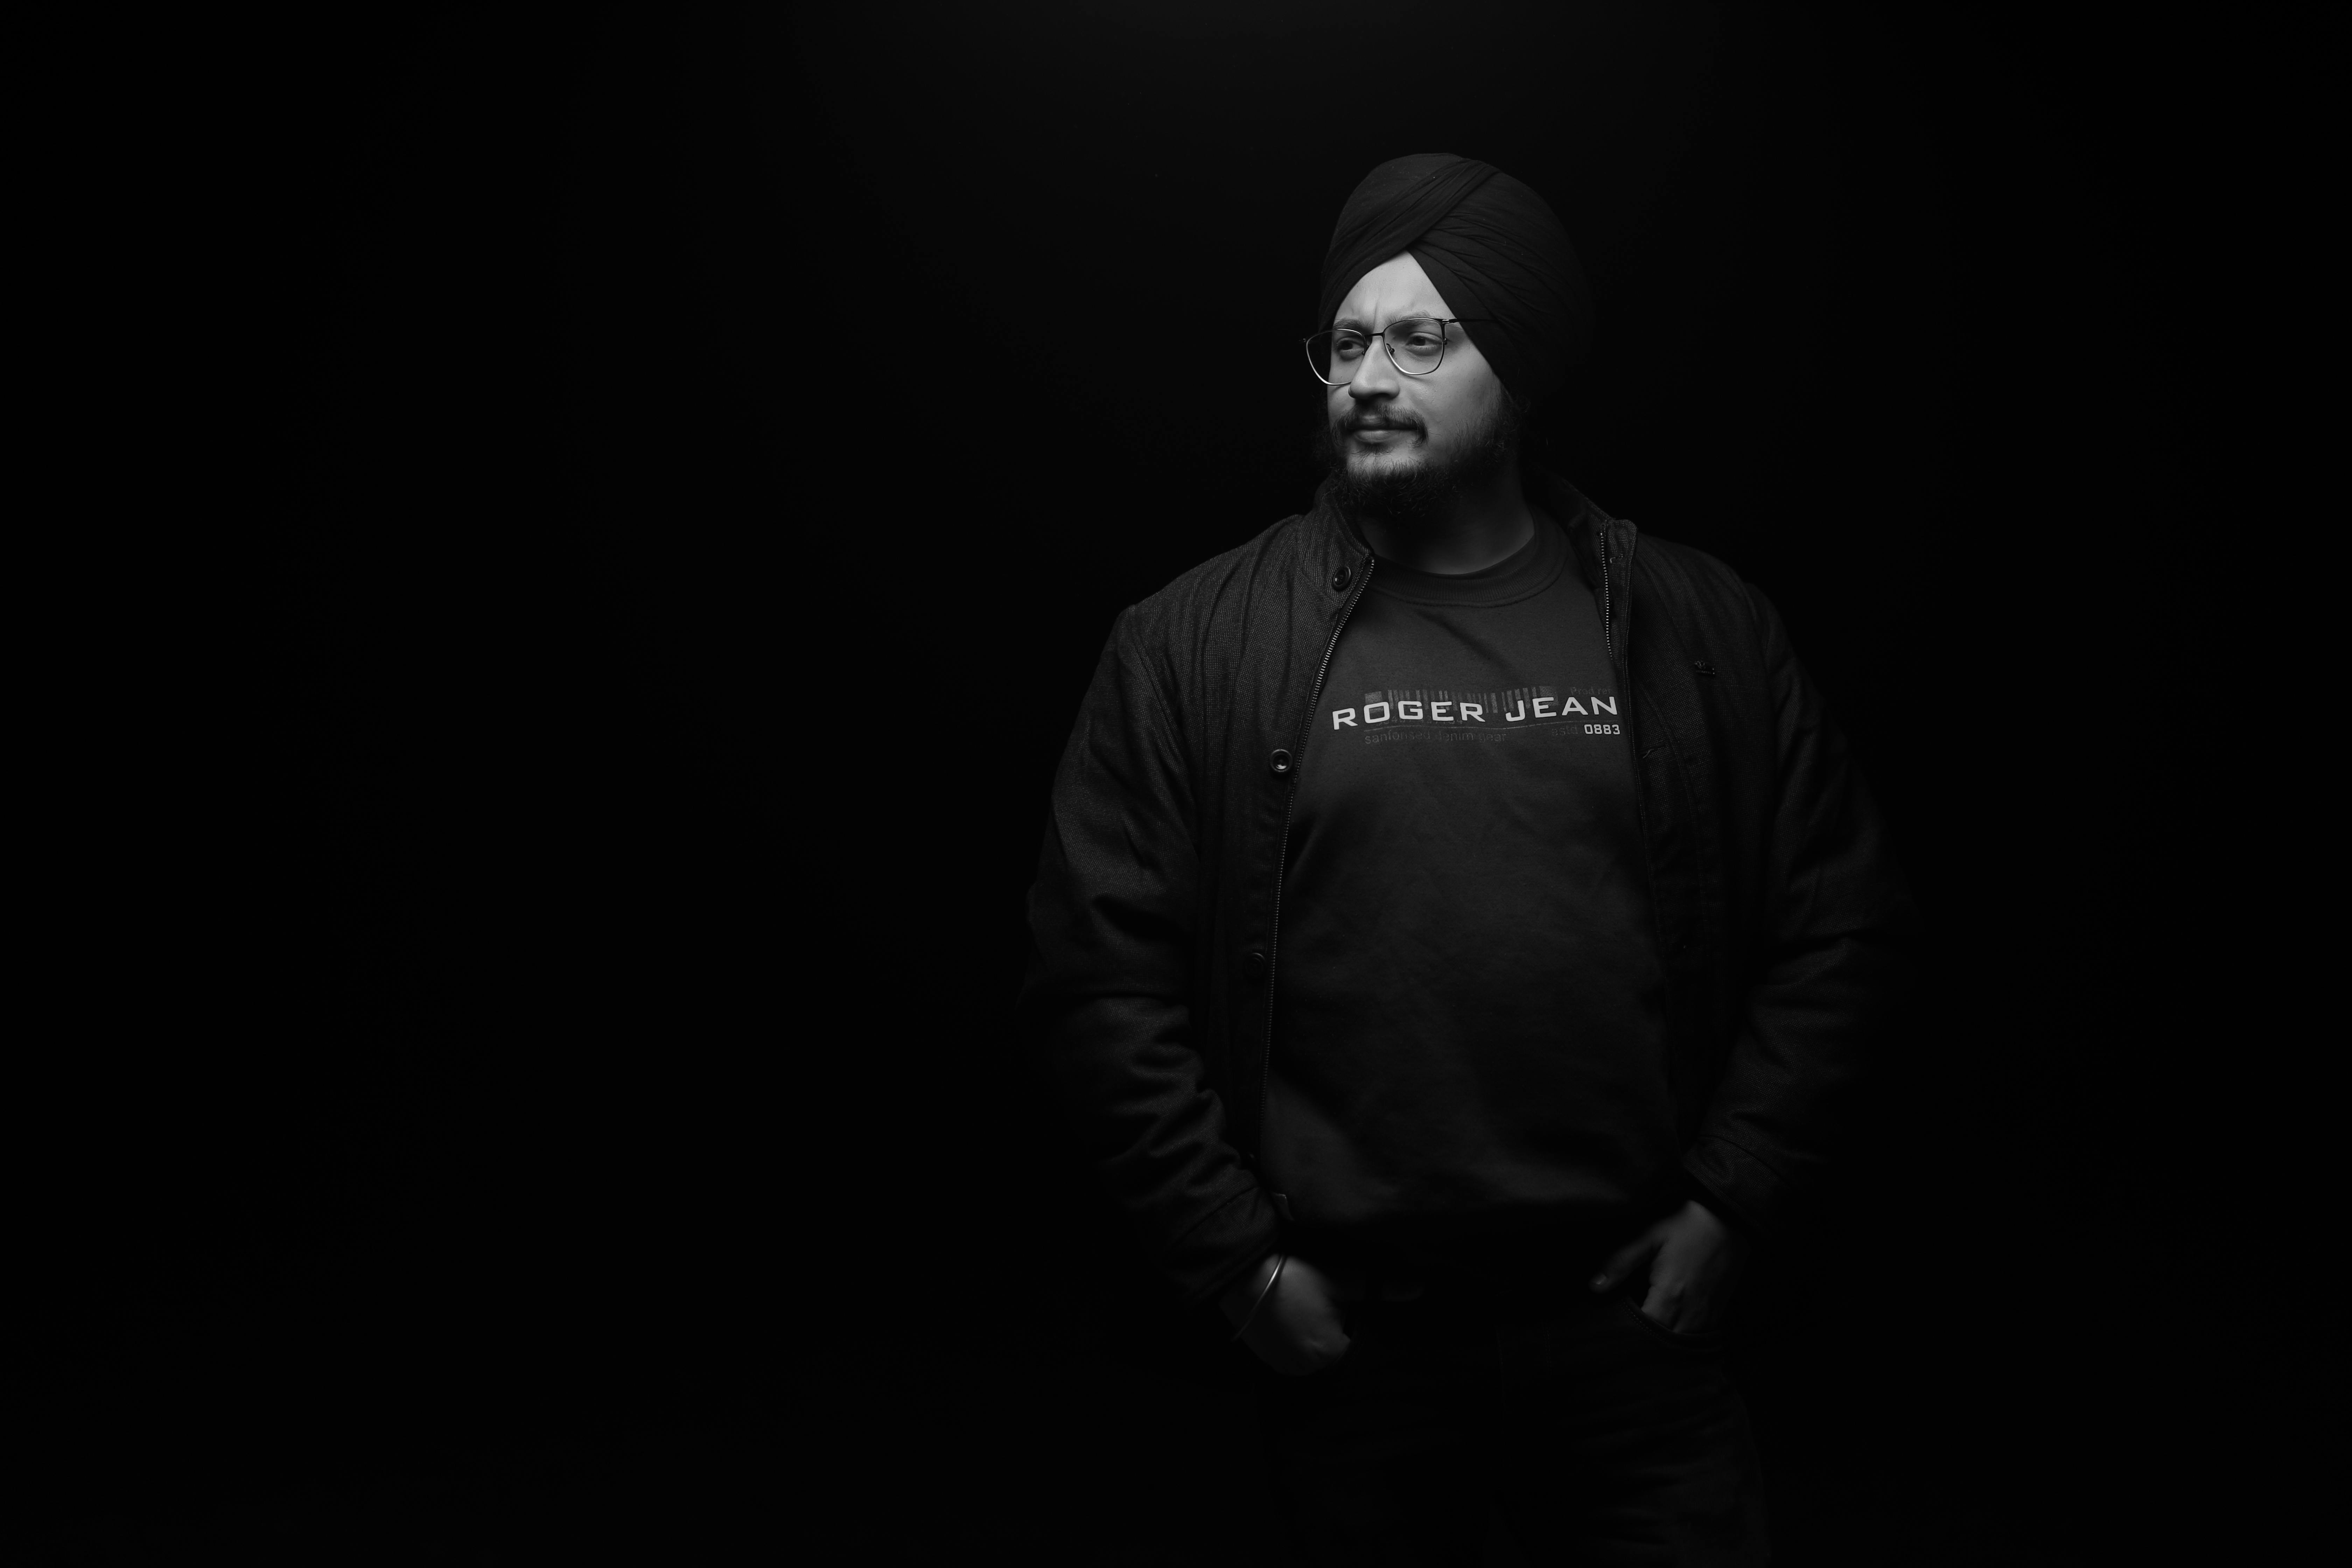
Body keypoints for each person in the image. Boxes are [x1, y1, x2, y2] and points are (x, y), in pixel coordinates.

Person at [1020, 153, 1914, 1566]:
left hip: (1631, 1327)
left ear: (1524, 363)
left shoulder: (1701, 627)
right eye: (1349, 341)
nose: (1368, 375)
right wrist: (1241, 1269)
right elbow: (1098, 982)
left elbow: (1838, 928)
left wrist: (1734, 1201)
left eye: (1423, 337)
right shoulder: (1192, 644)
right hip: (1353, 1341)